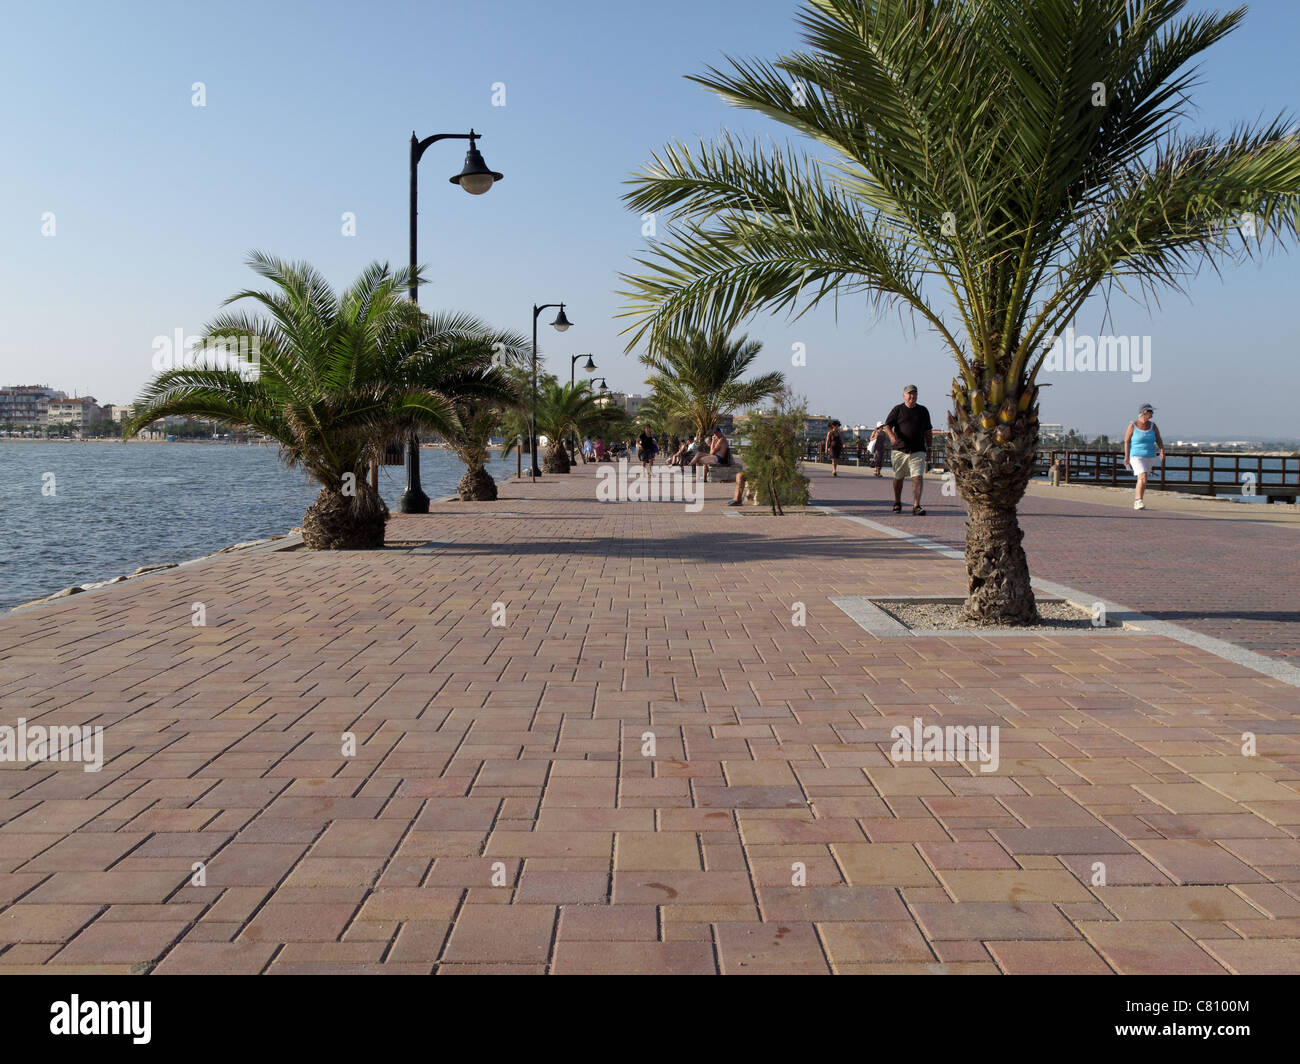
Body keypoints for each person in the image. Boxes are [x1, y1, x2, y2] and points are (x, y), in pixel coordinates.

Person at [884, 385, 933, 515]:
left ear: (917, 395)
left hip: (918, 450)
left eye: (914, 394)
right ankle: (897, 502)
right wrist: (892, 436)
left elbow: (928, 431)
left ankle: (916, 505)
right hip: (899, 450)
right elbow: (887, 425)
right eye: (909, 394)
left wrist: (929, 449)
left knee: (917, 477)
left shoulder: (923, 411)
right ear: (904, 396)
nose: (912, 396)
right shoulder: (898, 409)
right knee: (898, 477)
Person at [1124, 403, 1165, 510]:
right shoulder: (1133, 425)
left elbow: (1158, 439)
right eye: (1150, 411)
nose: (1152, 413)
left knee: (1143, 479)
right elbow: (1127, 441)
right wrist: (1127, 457)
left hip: (1150, 455)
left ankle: (1139, 499)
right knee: (1142, 476)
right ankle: (1138, 501)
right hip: (1136, 455)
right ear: (1143, 412)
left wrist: (1162, 450)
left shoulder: (1153, 425)